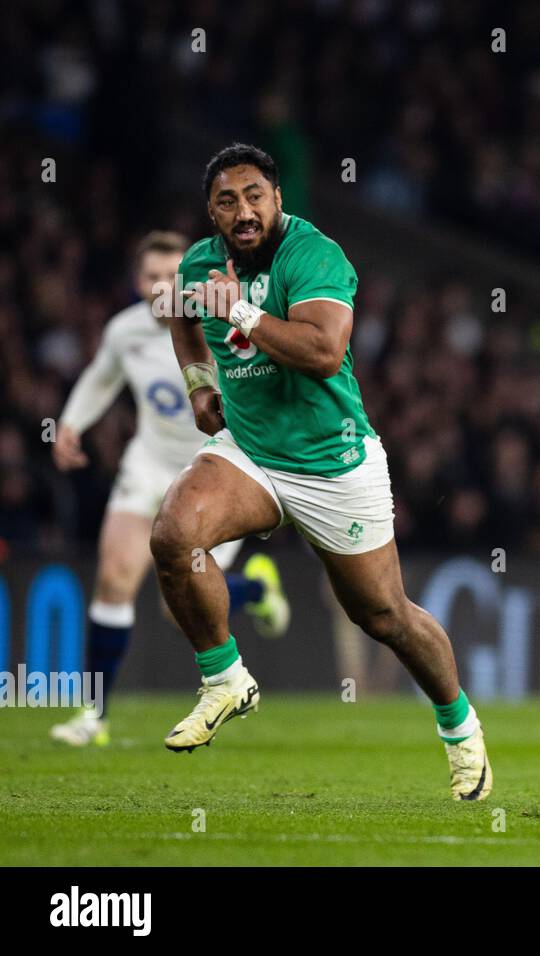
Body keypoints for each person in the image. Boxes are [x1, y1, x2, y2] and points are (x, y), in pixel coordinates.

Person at [153, 143, 491, 800]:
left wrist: (242, 313)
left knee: (385, 616)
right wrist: (199, 387)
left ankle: (459, 725)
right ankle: (225, 680)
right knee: (173, 534)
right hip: (248, 453)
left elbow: (324, 352)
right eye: (227, 201)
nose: (243, 210)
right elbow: (179, 316)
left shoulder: (314, 256)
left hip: (332, 462)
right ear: (212, 213)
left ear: (278, 199)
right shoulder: (198, 264)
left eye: (254, 195)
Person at [49, 231, 287, 748]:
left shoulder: (226, 324)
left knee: (174, 610)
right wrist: (70, 425)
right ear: (138, 283)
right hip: (150, 465)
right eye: (152, 276)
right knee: (114, 576)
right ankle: (94, 716)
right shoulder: (125, 332)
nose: (162, 285)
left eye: (171, 276)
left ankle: (257, 591)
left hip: (215, 472)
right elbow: (99, 378)